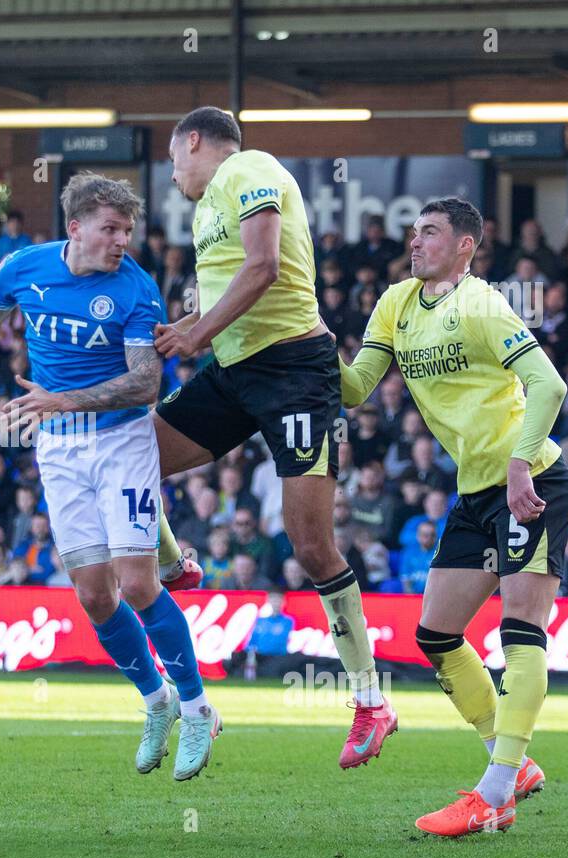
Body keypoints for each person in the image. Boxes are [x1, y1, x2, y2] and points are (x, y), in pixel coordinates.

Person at [0, 172, 220, 781]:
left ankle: (198, 707)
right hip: (61, 449)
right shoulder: (25, 267)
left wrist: (63, 400)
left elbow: (144, 382)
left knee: (138, 581)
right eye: (110, 229)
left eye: (127, 230)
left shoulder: (136, 289)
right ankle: (157, 701)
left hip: (123, 439)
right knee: (94, 595)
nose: (121, 240)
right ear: (75, 229)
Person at [152, 106, 390, 767]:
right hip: (235, 370)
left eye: (175, 160)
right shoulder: (206, 214)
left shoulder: (248, 168)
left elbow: (265, 269)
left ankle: (371, 701)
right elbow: (235, 285)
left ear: (194, 140)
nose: (174, 174)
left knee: (311, 546)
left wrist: (191, 338)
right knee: (131, 453)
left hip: (292, 372)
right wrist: (190, 323)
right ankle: (177, 564)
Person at [341, 197, 568, 837]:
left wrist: (523, 463)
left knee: (520, 632)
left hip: (531, 482)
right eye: (414, 232)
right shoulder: (396, 302)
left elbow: (550, 386)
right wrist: (303, 343)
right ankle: (515, 764)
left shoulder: (483, 305)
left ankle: (495, 792)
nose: (416, 243)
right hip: (475, 492)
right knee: (436, 634)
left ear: (467, 245)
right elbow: (357, 387)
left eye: (432, 234)